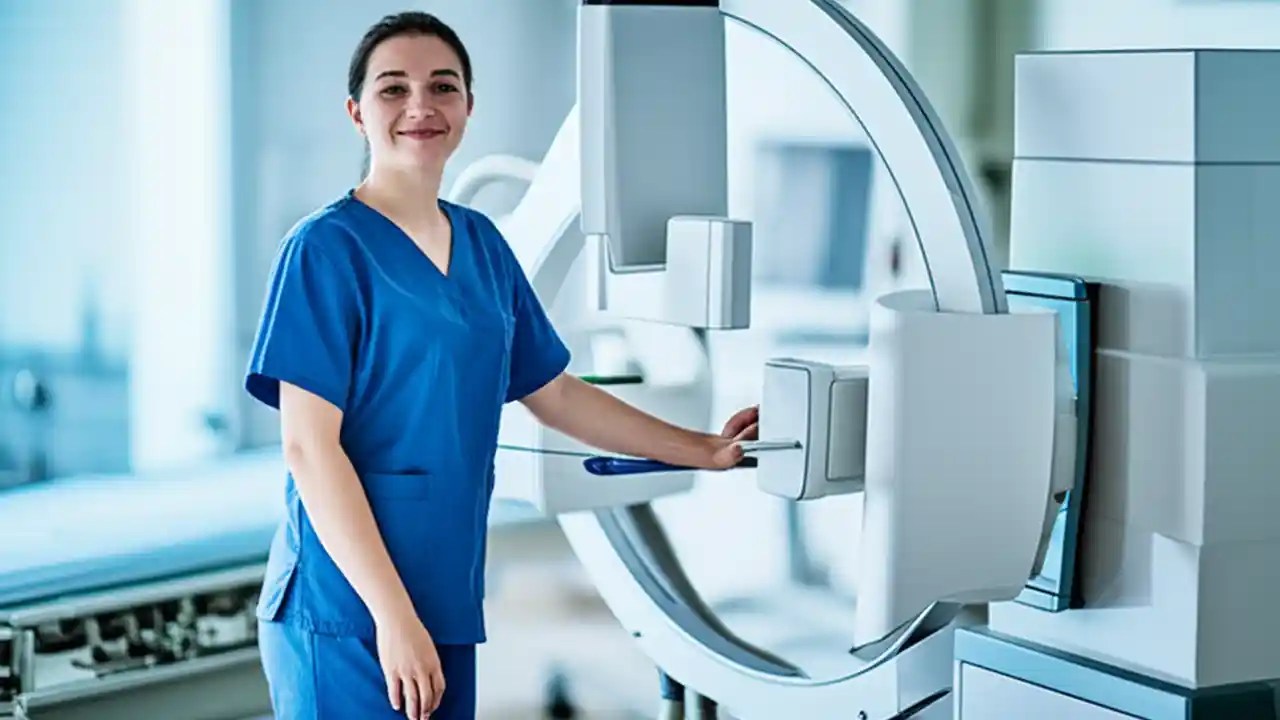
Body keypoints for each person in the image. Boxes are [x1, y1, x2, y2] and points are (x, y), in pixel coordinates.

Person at [244, 10, 760, 720]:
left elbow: (555, 393)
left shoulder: (483, 245)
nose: (420, 106)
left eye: (442, 86)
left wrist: (701, 449)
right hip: (346, 607)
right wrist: (393, 618)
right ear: (356, 111)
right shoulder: (325, 250)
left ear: (467, 107)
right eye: (393, 89)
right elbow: (307, 447)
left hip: (445, 593)